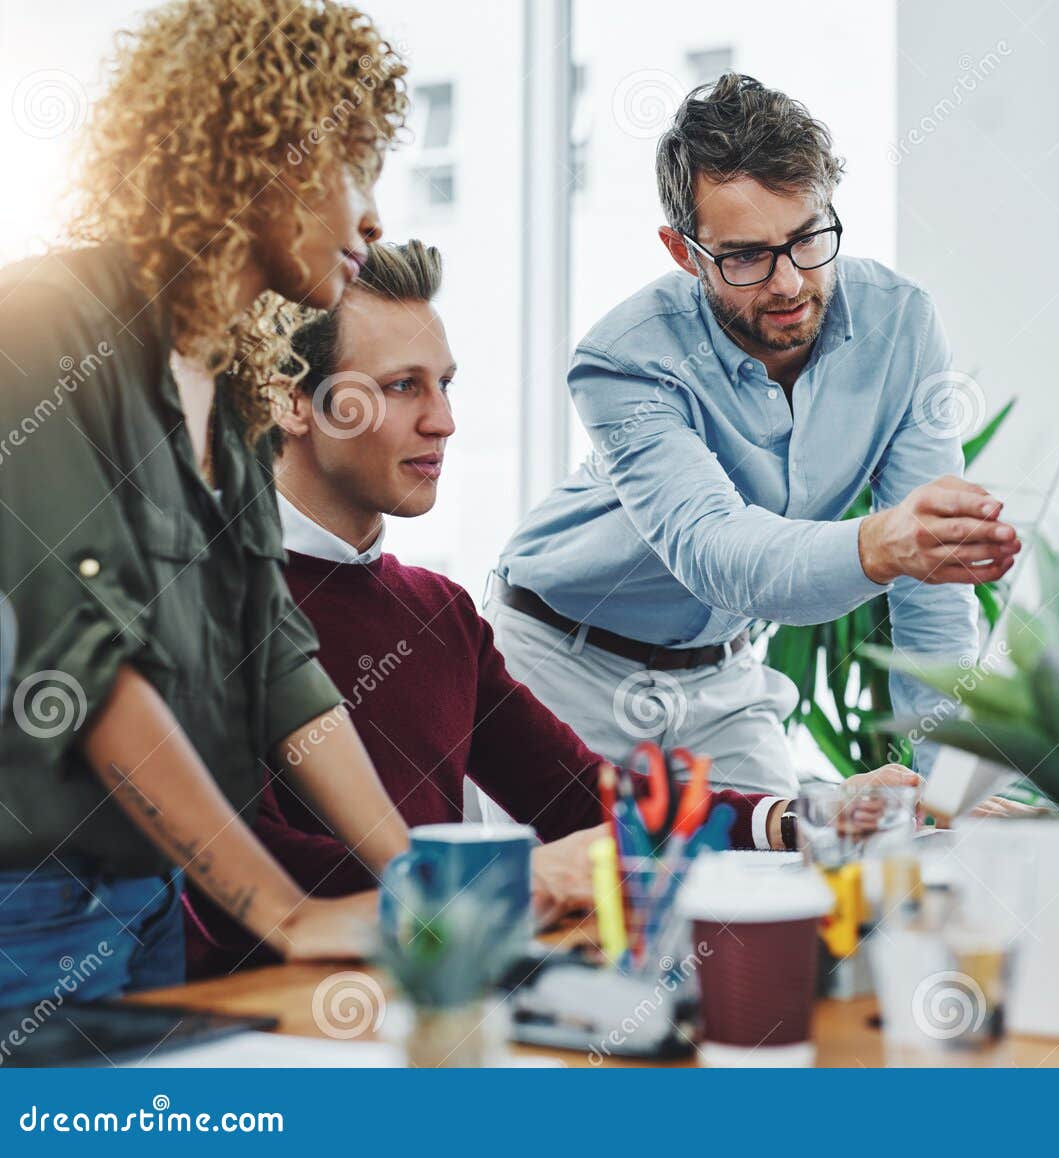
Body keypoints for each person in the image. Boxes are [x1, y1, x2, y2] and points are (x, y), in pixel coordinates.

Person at [184, 239, 921, 976]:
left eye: (444, 383)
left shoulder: (437, 613)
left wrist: (794, 817)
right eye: (402, 387)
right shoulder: (206, 608)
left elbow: (581, 800)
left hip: (438, 996)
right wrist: (510, 880)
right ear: (289, 402)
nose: (442, 421)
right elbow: (240, 865)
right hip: (268, 1019)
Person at [0, 0, 415, 1006]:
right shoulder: (43, 323)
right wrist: (282, 909)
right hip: (26, 907)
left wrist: (420, 884)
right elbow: (80, 653)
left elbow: (271, 655)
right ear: (262, 149)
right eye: (354, 162)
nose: (373, 218)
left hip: (149, 893)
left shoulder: (229, 395)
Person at [489, 74, 1019, 802]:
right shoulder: (623, 359)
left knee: (778, 884)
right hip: (563, 663)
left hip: (719, 676)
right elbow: (716, 552)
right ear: (683, 252)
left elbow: (932, 591)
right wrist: (881, 545)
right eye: (745, 256)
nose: (790, 283)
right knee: (572, 901)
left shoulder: (901, 324)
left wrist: (950, 795)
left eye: (808, 239)